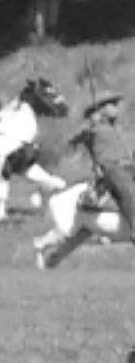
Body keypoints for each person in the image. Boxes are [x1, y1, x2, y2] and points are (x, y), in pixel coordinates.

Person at [38, 97, 134, 269]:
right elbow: (72, 139)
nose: (117, 108)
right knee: (125, 188)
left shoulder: (116, 129)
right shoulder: (92, 129)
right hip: (111, 170)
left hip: (127, 167)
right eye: (111, 105)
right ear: (101, 109)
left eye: (116, 104)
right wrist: (90, 124)